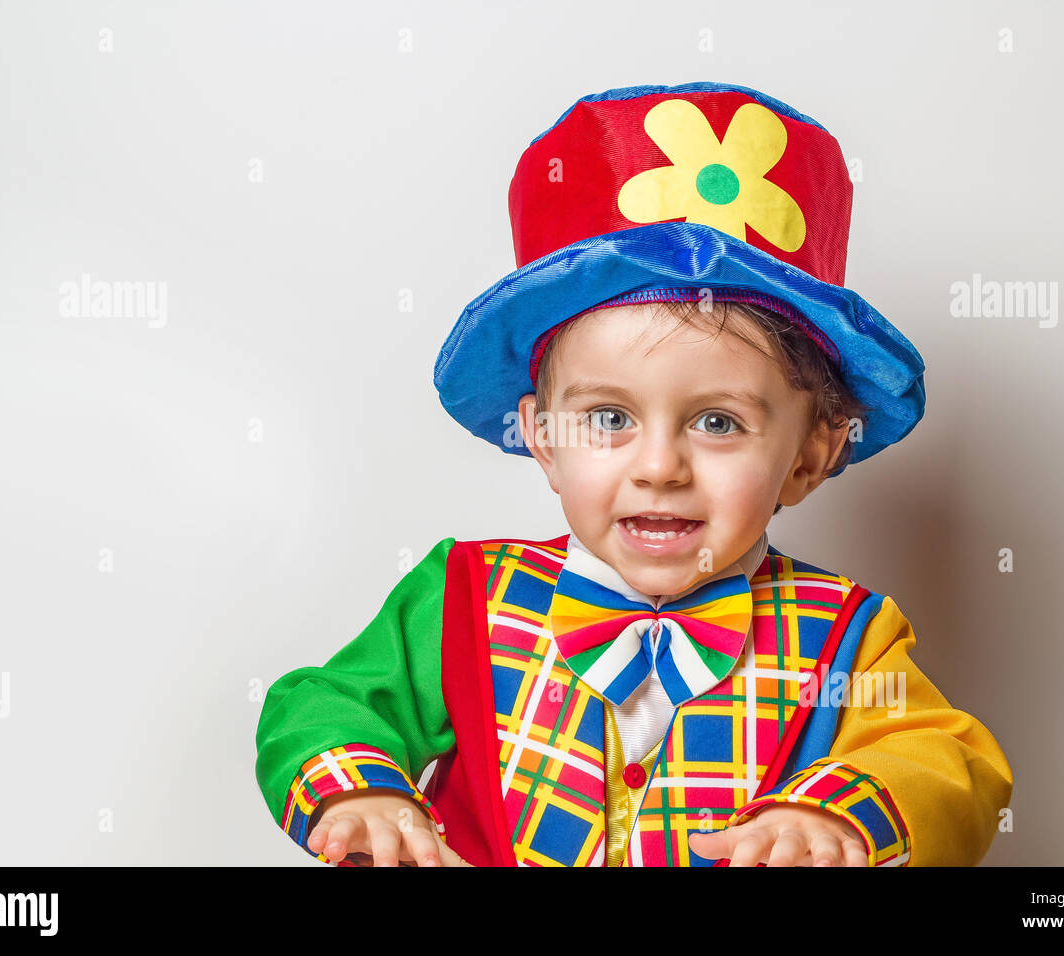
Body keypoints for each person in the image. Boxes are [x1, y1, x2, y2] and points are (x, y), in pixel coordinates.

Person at [254, 82, 1013, 867]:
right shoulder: (458, 596)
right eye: (609, 418)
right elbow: (326, 702)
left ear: (811, 455)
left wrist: (844, 818)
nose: (658, 468)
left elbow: (946, 758)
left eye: (718, 422)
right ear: (542, 438)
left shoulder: (849, 638)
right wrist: (364, 793)